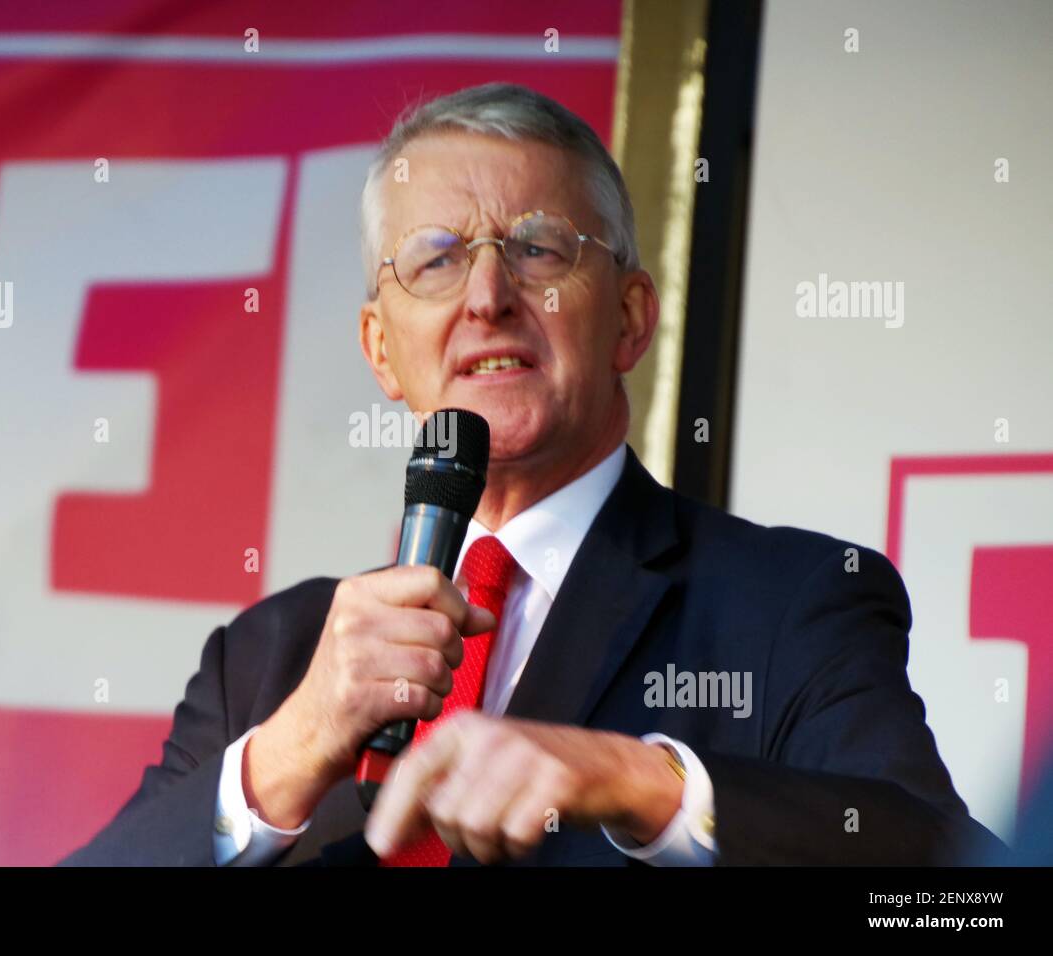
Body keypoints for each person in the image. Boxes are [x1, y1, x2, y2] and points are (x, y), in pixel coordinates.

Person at [61, 82, 1000, 867]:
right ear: (381, 352)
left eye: (540, 249)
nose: (487, 296)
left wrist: (647, 784)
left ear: (630, 319)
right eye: (435, 259)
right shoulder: (269, 658)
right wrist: (283, 759)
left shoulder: (790, 605)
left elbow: (959, 891)